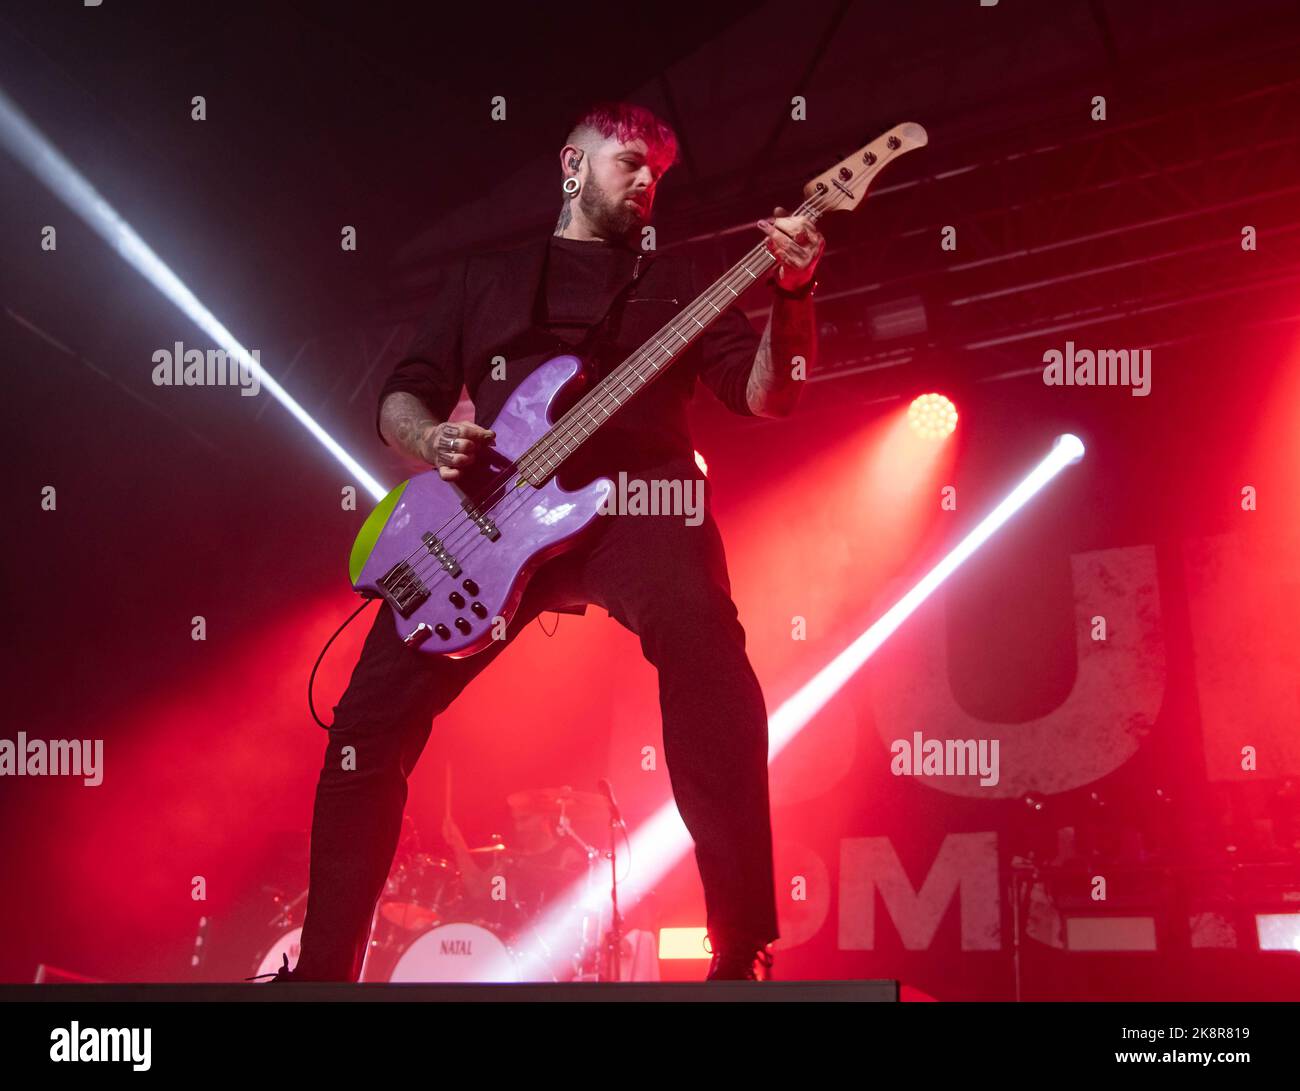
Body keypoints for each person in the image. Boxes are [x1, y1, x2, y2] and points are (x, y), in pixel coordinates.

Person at [281, 100, 823, 983]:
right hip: (489, 523)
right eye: (629, 162)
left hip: (640, 510)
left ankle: (739, 948)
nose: (648, 180)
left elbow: (770, 395)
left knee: (708, 650)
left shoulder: (681, 281)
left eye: (659, 171)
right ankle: (323, 967)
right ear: (572, 167)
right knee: (366, 724)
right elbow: (402, 395)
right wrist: (433, 441)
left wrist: (794, 295)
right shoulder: (484, 280)